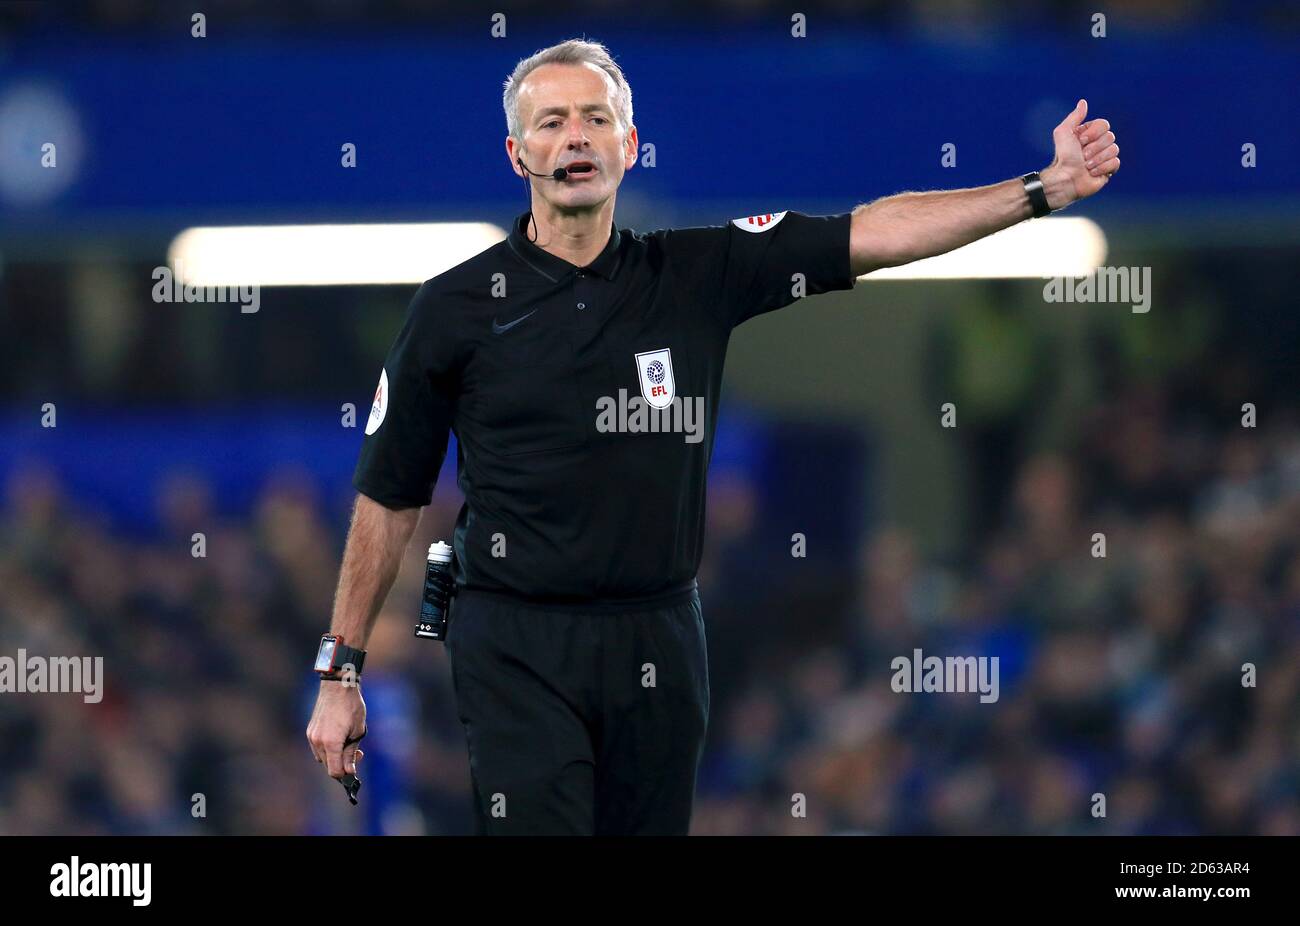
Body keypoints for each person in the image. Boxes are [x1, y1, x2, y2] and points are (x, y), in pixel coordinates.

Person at [306, 38, 1121, 835]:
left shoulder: (696, 273)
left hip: (658, 635)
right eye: (551, 122)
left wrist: (1041, 189)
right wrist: (341, 672)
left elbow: (871, 233)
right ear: (517, 155)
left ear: (630, 146)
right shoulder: (454, 309)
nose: (575, 136)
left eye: (595, 118)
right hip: (515, 638)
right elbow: (389, 495)